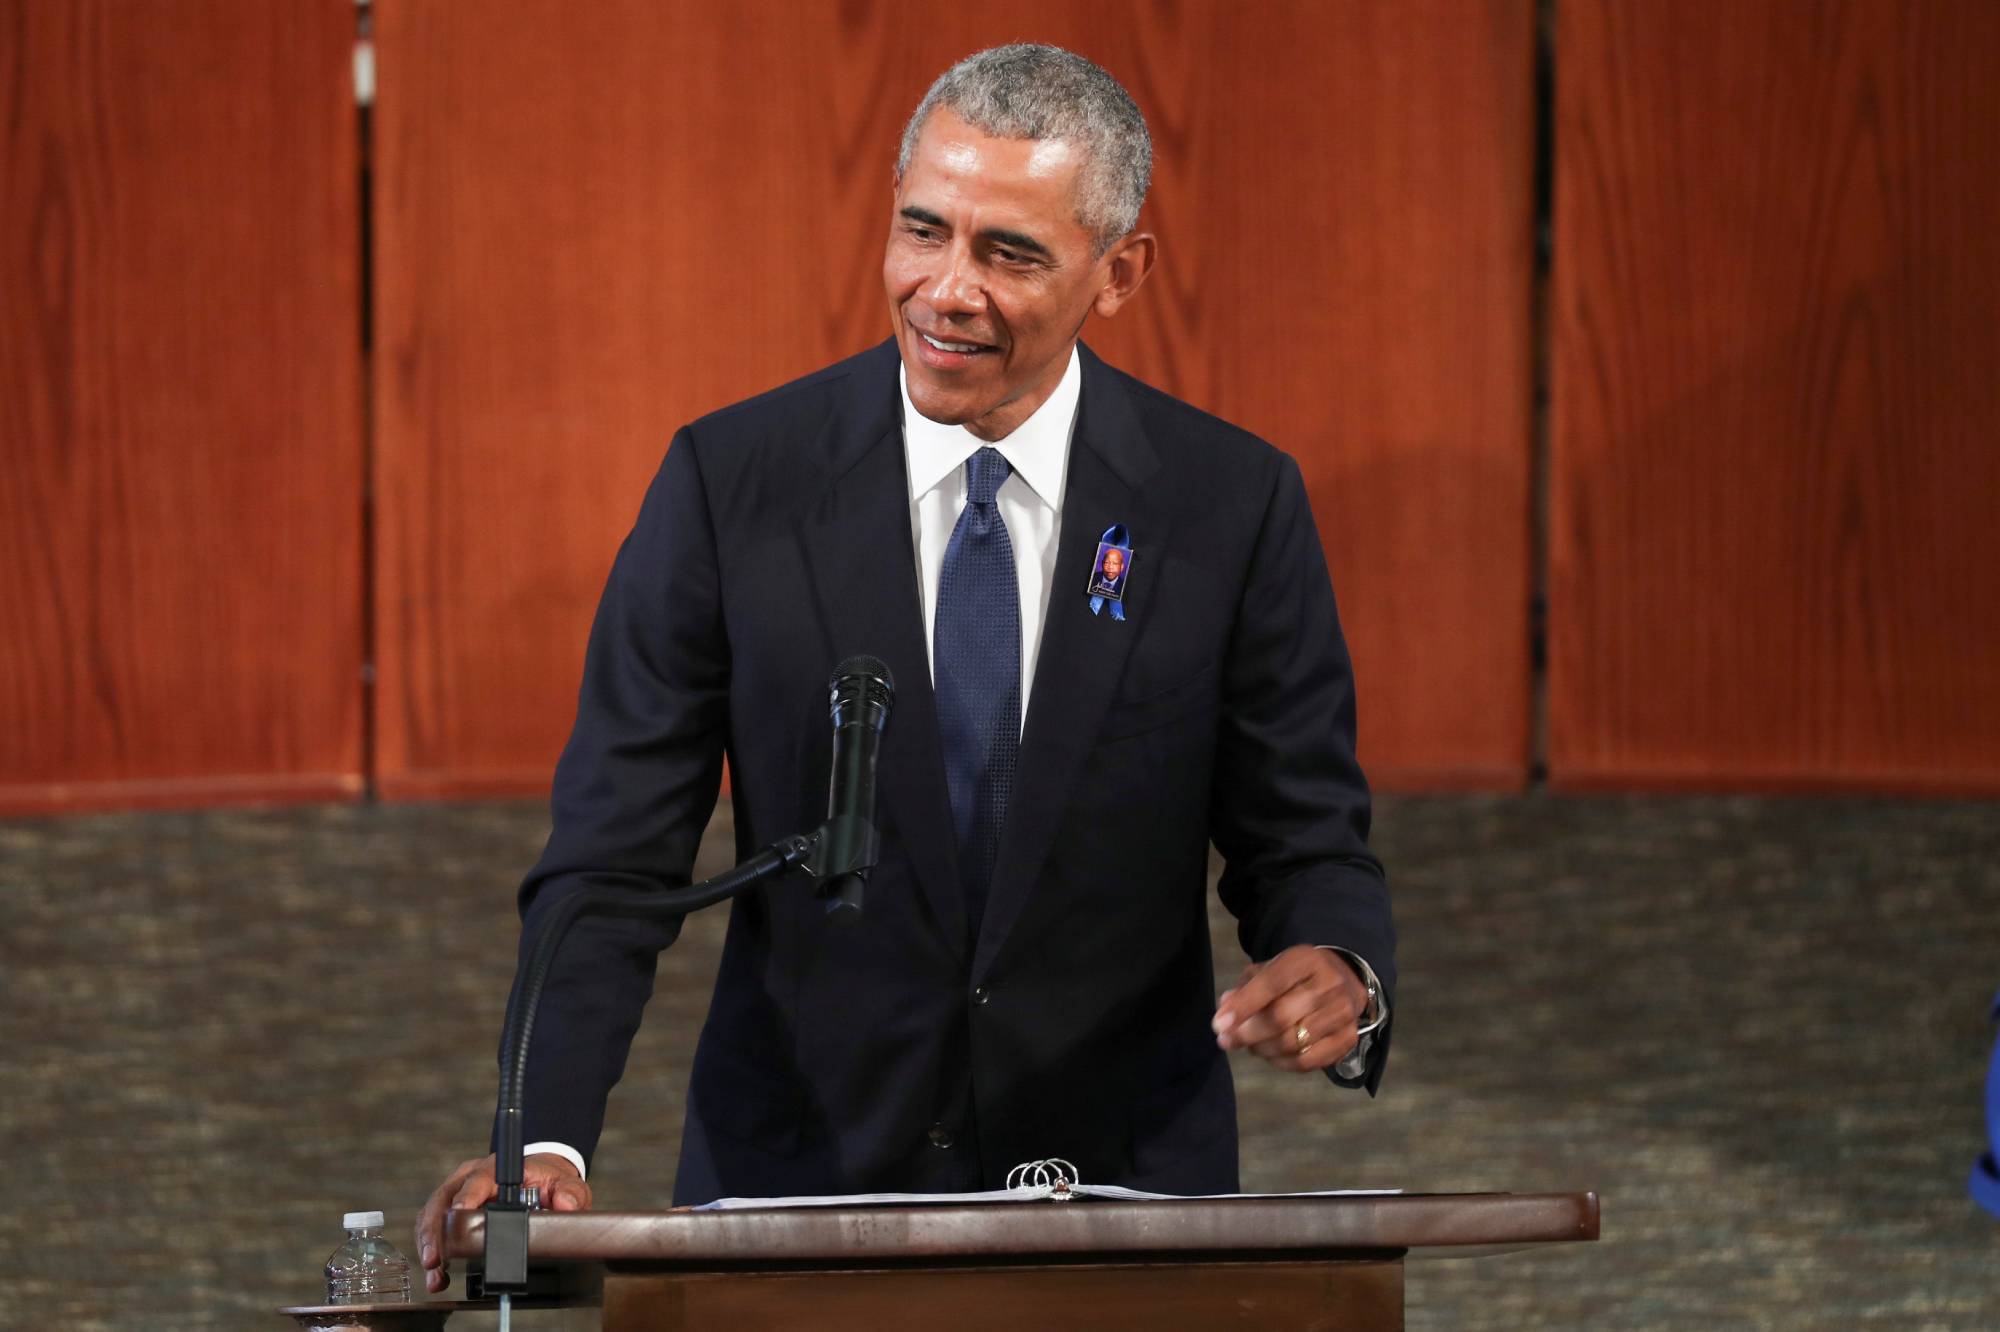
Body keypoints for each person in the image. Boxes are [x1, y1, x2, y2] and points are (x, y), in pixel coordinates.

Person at [418, 43, 1394, 1293]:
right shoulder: (733, 487)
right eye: (922, 231)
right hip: (800, 1191)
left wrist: (1342, 969)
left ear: (1119, 273)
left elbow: (1302, 838)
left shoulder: (1227, 506)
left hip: (1118, 1207)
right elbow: (613, 861)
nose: (946, 290)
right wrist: (541, 1140)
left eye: (1010, 253)